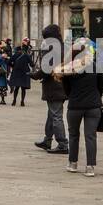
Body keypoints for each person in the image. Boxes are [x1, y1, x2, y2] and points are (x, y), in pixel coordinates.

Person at [60, 39, 103, 176]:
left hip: (75, 106)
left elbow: (66, 90)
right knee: (91, 136)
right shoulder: (96, 66)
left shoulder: (70, 69)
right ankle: (90, 166)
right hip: (93, 105)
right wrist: (94, 96)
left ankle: (73, 163)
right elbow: (102, 87)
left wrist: (75, 96)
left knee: (74, 135)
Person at [30, 24, 69, 154]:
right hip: (63, 85)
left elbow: (46, 69)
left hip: (54, 86)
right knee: (51, 115)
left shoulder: (52, 48)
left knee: (56, 115)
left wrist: (34, 75)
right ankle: (47, 140)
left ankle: (63, 143)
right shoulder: (64, 47)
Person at [10, 40, 33, 107]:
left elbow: (8, 61)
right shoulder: (27, 55)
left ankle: (14, 101)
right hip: (24, 73)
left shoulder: (16, 54)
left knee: (16, 88)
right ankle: (22, 101)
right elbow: (32, 64)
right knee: (23, 88)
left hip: (16, 72)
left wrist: (13, 66)